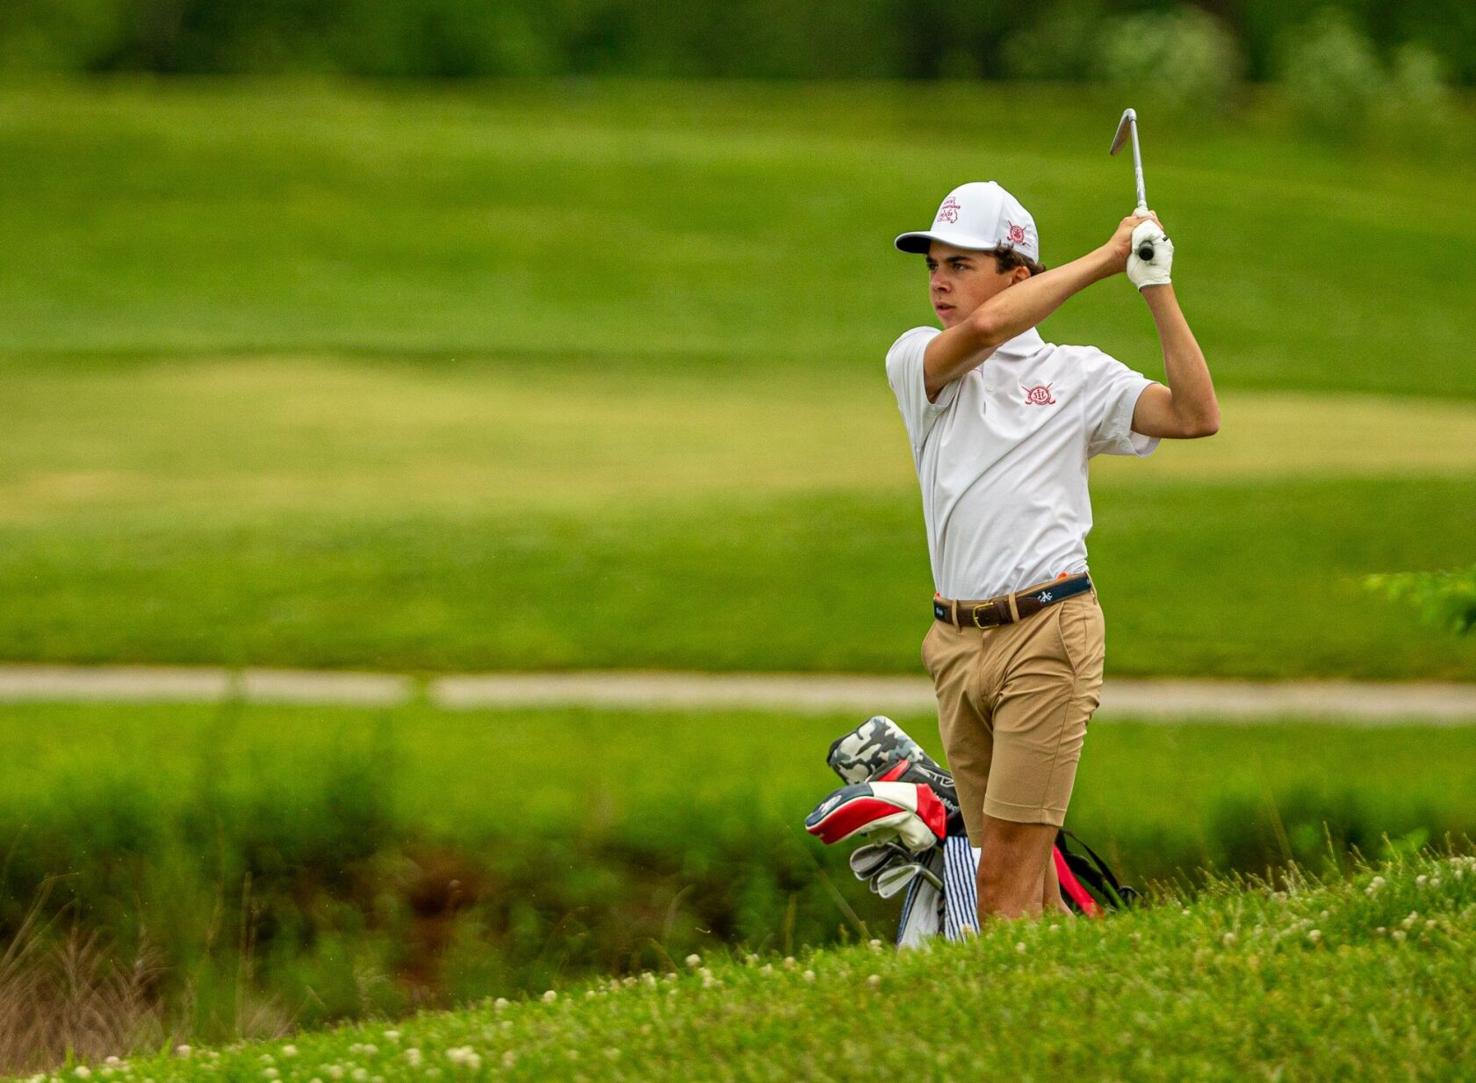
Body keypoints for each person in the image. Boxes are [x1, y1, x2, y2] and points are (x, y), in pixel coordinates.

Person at [885, 181, 1219, 922]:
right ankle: (1078, 997)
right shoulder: (920, 360)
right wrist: (1105, 257)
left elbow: (1197, 414)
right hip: (955, 645)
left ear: (1018, 271)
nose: (939, 280)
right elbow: (984, 331)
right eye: (933, 264)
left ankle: (1006, 1025)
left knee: (1004, 880)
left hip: (1047, 632)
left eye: (961, 264)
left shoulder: (1078, 376)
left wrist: (1153, 285)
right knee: (1015, 877)